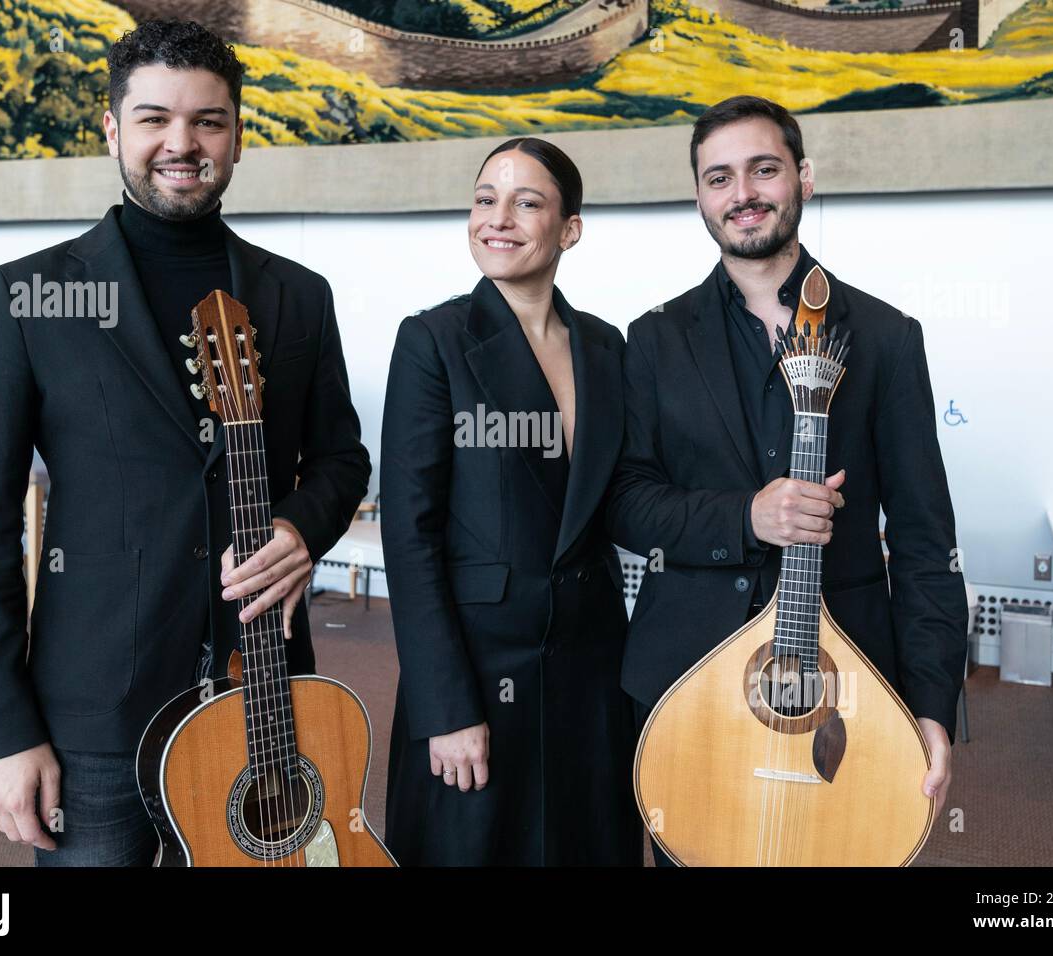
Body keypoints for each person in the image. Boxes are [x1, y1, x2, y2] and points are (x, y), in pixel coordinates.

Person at [0, 19, 370, 866]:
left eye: (209, 120)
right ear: (112, 130)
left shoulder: (301, 296)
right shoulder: (28, 295)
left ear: (239, 135)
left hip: (264, 694)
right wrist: (2, 729)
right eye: (154, 119)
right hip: (95, 709)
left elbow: (340, 458)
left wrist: (297, 529)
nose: (182, 143)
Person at [607, 95, 968, 865]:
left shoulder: (886, 337)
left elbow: (925, 540)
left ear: (802, 177)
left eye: (763, 169)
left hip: (848, 683)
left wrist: (933, 704)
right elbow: (628, 503)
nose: (743, 194)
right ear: (700, 196)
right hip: (687, 680)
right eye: (719, 178)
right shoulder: (655, 337)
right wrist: (748, 517)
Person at [380, 137, 643, 865]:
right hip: (474, 673)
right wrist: (446, 707)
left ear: (570, 229)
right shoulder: (432, 341)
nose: (499, 218)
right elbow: (410, 535)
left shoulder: (605, 346)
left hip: (591, 671)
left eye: (528, 202)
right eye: (485, 199)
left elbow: (623, 496)